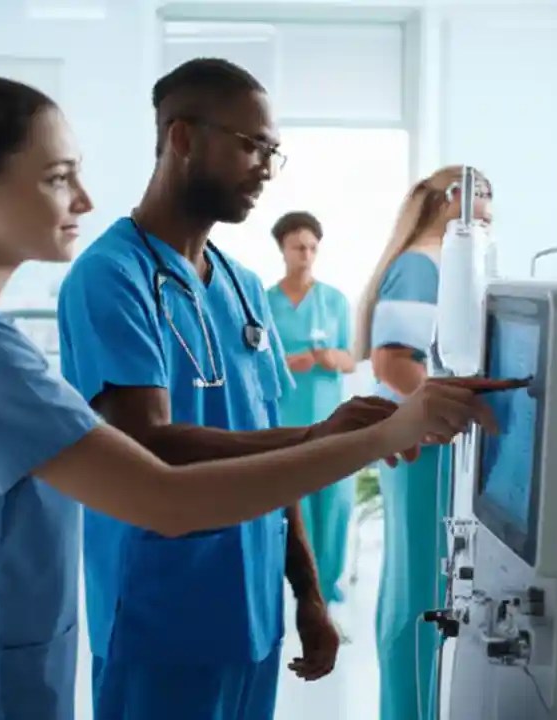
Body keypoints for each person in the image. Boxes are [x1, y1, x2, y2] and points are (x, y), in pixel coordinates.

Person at [0, 76, 497, 720]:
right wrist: (369, 437)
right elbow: (163, 496)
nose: (83, 200)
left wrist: (305, 588)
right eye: (58, 178)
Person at [57, 58, 437, 719]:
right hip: (163, 611)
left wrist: (308, 595)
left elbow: (269, 453)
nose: (265, 166)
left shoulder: (241, 286)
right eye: (250, 145)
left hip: (253, 614)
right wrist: (321, 437)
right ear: (181, 137)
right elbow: (147, 444)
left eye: (273, 152)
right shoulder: (109, 277)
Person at [353, 166, 495, 720]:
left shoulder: (444, 263)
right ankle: (409, 709)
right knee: (419, 593)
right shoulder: (421, 264)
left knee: (419, 586)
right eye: (484, 193)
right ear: (453, 198)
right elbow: (393, 361)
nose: (491, 207)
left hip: (427, 446)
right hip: (422, 449)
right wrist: (445, 418)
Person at [265, 211, 357, 608]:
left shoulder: (334, 300)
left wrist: (327, 356)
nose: (306, 255)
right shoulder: (265, 301)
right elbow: (255, 360)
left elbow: (352, 359)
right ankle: (294, 586)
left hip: (329, 417)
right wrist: (291, 361)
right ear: (282, 249)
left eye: (312, 248)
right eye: (298, 247)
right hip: (285, 416)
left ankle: (328, 584)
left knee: (334, 502)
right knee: (291, 504)